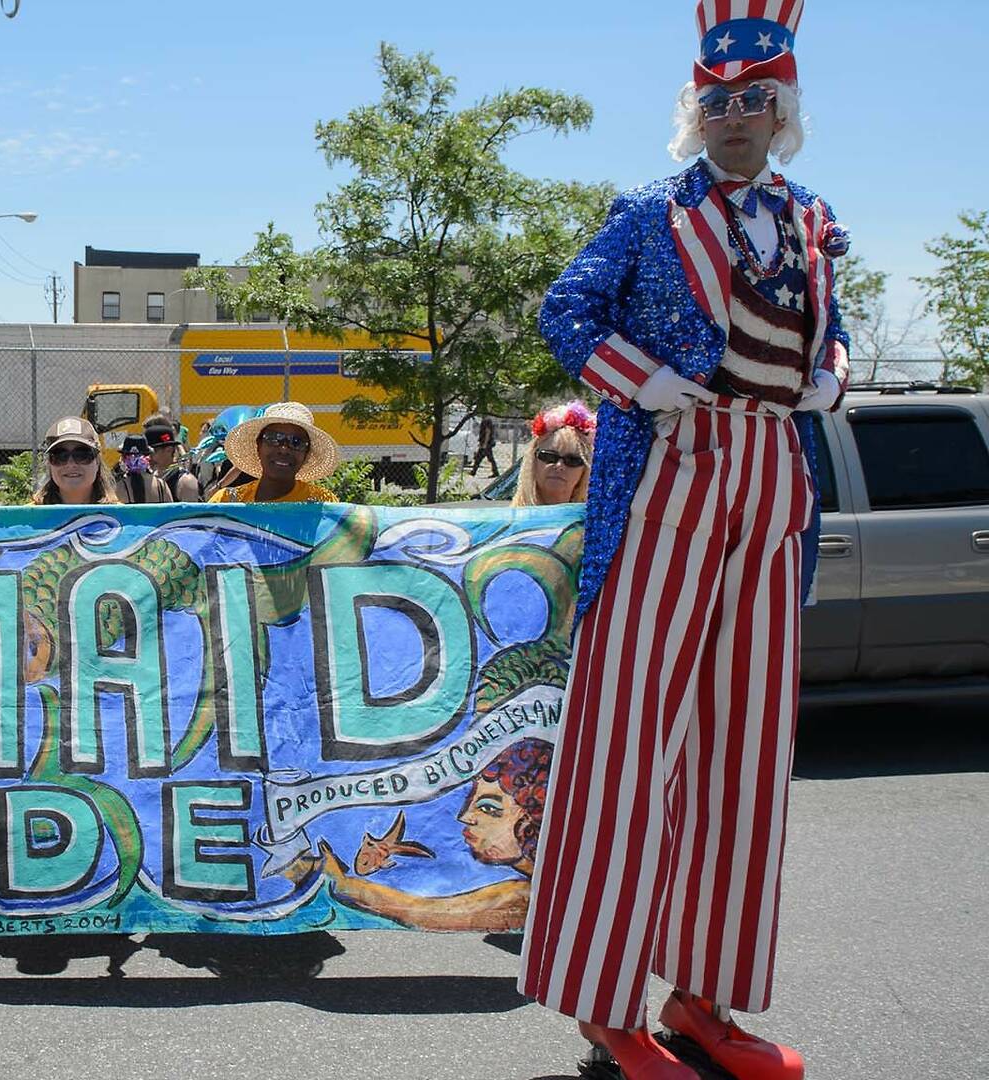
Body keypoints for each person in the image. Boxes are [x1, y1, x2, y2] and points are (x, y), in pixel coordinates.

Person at [519, 7, 848, 1079]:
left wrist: (836, 371)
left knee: (746, 758)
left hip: (773, 480)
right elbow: (565, 313)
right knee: (622, 751)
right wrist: (649, 386)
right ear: (691, 111)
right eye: (717, 99)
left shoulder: (810, 219)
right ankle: (602, 1004)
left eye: (756, 99)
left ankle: (702, 1000)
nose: (736, 118)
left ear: (784, 110)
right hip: (670, 473)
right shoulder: (649, 212)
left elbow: (827, 329)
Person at [314, 738, 552, 932]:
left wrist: (343, 884)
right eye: (472, 801)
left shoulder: (528, 895)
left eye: (488, 807)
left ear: (532, 817)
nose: (465, 816)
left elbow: (426, 912)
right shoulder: (543, 882)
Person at [207, 402, 339, 504]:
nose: (284, 449)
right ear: (258, 446)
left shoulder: (323, 504)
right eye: (273, 438)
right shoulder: (226, 502)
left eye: (296, 442)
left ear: (306, 454)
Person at [510, 401, 596, 507]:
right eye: (549, 456)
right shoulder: (508, 520)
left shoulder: (591, 521)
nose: (559, 466)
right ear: (533, 460)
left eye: (572, 460)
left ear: (584, 471)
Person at [32, 417, 120, 506]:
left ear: (97, 461)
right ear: (49, 464)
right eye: (60, 455)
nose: (71, 464)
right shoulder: (28, 516)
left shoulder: (123, 516)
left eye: (82, 455)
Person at [144, 414, 202, 502]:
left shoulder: (185, 482)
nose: (148, 457)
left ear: (168, 450)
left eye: (152, 452)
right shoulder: (150, 478)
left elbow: (191, 515)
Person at [112, 433, 173, 504]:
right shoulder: (161, 486)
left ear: (124, 458)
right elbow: (171, 512)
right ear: (148, 457)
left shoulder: (119, 487)